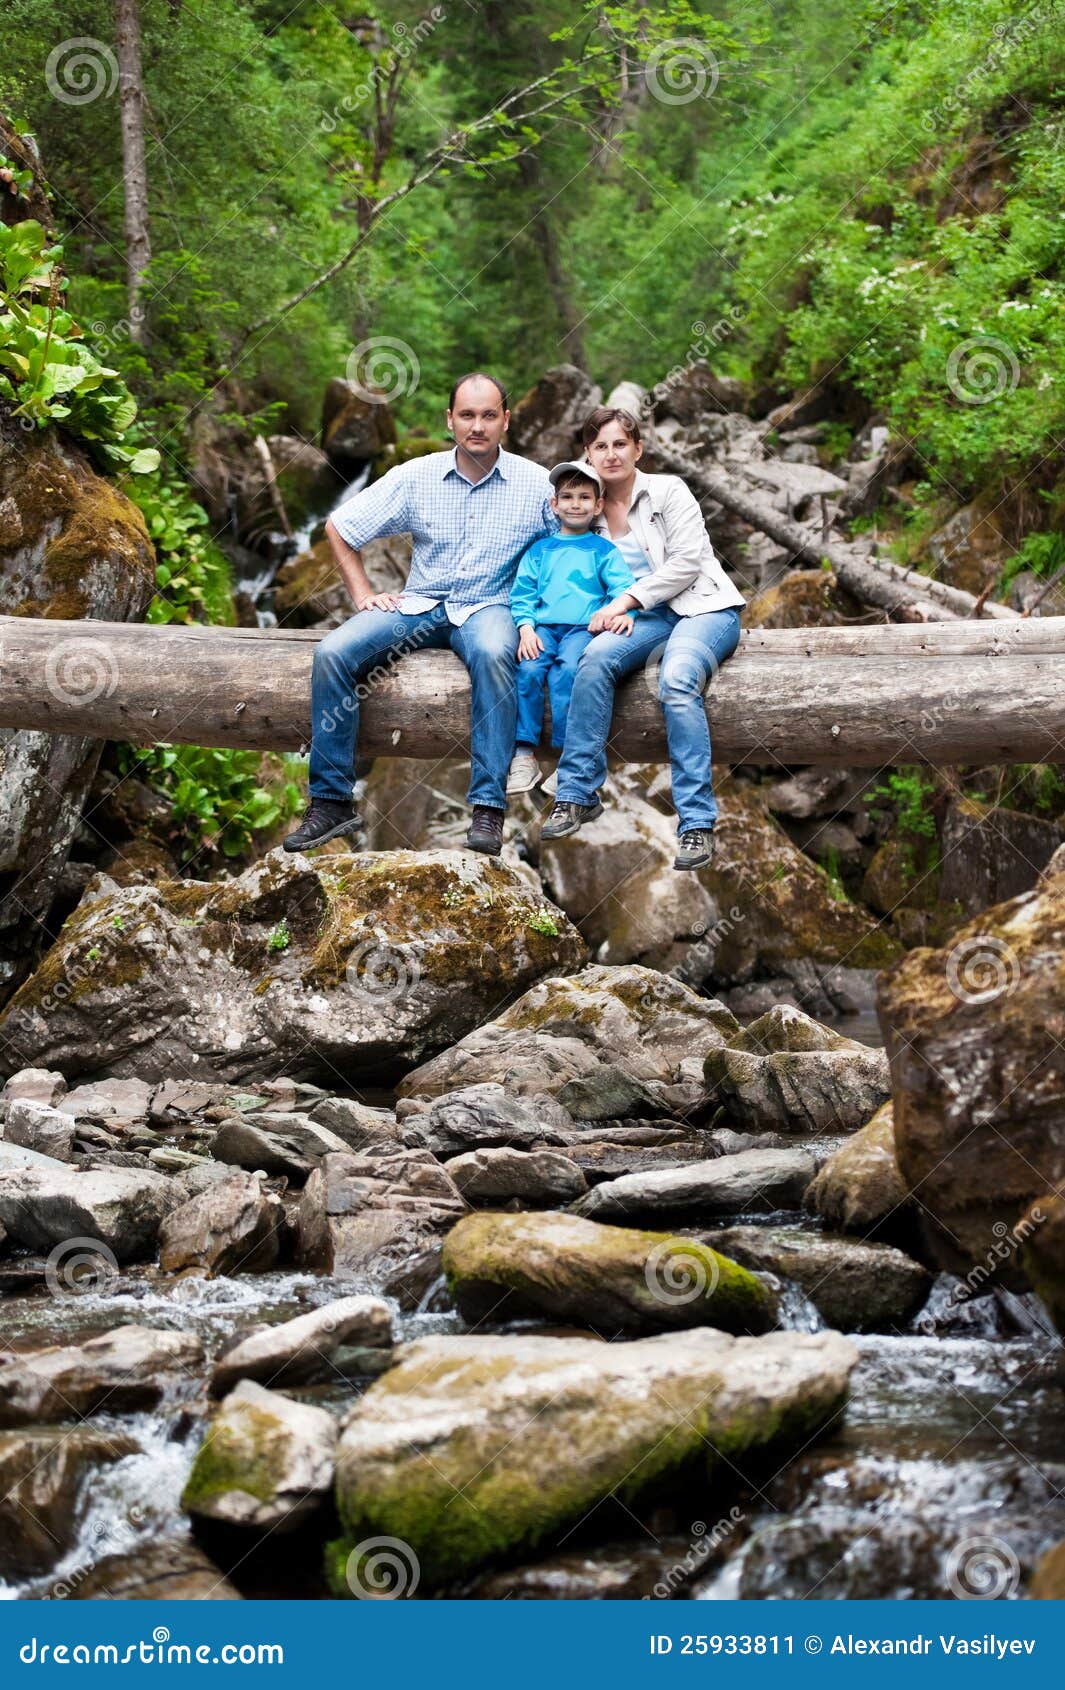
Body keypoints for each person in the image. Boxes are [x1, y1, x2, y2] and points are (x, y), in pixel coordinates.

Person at [283, 372, 554, 857]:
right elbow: (339, 526)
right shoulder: (417, 475)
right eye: (467, 415)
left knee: (496, 653)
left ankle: (489, 810)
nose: (477, 426)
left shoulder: (536, 484)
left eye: (489, 415)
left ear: (505, 421)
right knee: (332, 652)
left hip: (490, 606)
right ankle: (330, 803)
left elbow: (579, 540)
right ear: (449, 420)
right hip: (420, 605)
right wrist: (364, 594)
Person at [540, 405, 745, 870]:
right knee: (593, 660)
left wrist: (626, 601)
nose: (610, 455)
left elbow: (687, 561)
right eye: (599, 446)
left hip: (703, 608)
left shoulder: (668, 490)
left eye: (619, 444)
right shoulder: (585, 507)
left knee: (676, 679)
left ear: (638, 448)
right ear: (587, 454)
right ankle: (577, 793)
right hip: (642, 618)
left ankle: (695, 822)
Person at [506, 461, 636, 795]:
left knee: (567, 674)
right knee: (530, 670)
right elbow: (523, 594)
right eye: (566, 497)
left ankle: (568, 758)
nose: (575, 504)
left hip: (583, 631)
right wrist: (525, 628)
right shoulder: (540, 550)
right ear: (554, 504)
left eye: (583, 497)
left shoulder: (603, 550)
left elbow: (623, 590)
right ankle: (524, 754)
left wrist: (622, 615)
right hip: (543, 629)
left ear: (598, 506)